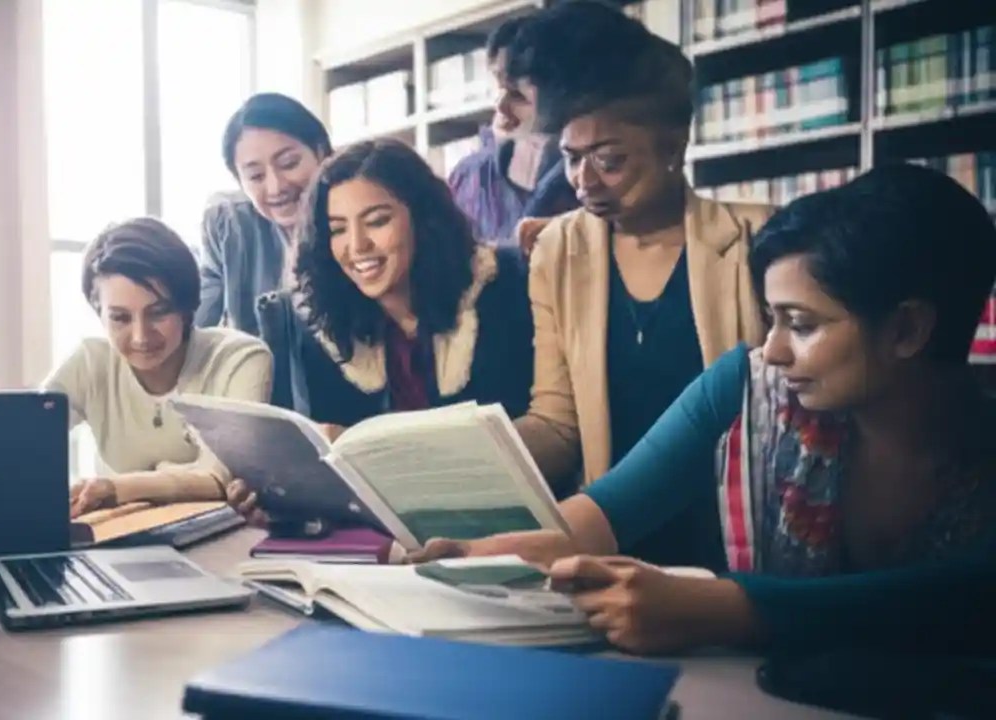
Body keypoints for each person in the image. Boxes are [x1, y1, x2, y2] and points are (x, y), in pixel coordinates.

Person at [416, 164, 996, 657]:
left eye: (802, 324)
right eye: (772, 319)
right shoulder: (746, 391)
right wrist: (474, 555)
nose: (772, 350)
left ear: (907, 328)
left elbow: (957, 600)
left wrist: (727, 609)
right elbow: (594, 520)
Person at [498, 3, 774, 569]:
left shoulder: (758, 241)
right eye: (572, 159)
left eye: (610, 160)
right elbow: (556, 423)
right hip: (610, 543)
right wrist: (475, 464)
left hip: (738, 543)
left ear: (674, 145)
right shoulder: (559, 251)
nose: (584, 181)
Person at [229, 139, 535, 523]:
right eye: (338, 230)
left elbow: (542, 440)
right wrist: (281, 495)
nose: (357, 246)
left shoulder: (506, 287)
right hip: (385, 543)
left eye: (377, 221)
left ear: (423, 219)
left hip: (504, 522)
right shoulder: (319, 324)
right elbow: (337, 482)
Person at [44, 218, 271, 517]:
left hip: (216, 543)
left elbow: (218, 477)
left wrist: (115, 489)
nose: (141, 337)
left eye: (159, 312)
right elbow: (25, 443)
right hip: (120, 542)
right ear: (99, 313)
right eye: (120, 318)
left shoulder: (240, 359)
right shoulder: (88, 362)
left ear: (187, 306)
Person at [195, 93, 333, 336]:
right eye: (256, 176)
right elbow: (195, 328)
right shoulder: (228, 225)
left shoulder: (354, 214)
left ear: (321, 152)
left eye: (289, 164)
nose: (276, 187)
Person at [446, 16, 567, 248]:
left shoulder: (584, 177)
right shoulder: (467, 176)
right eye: (498, 87)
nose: (500, 106)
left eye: (518, 95)